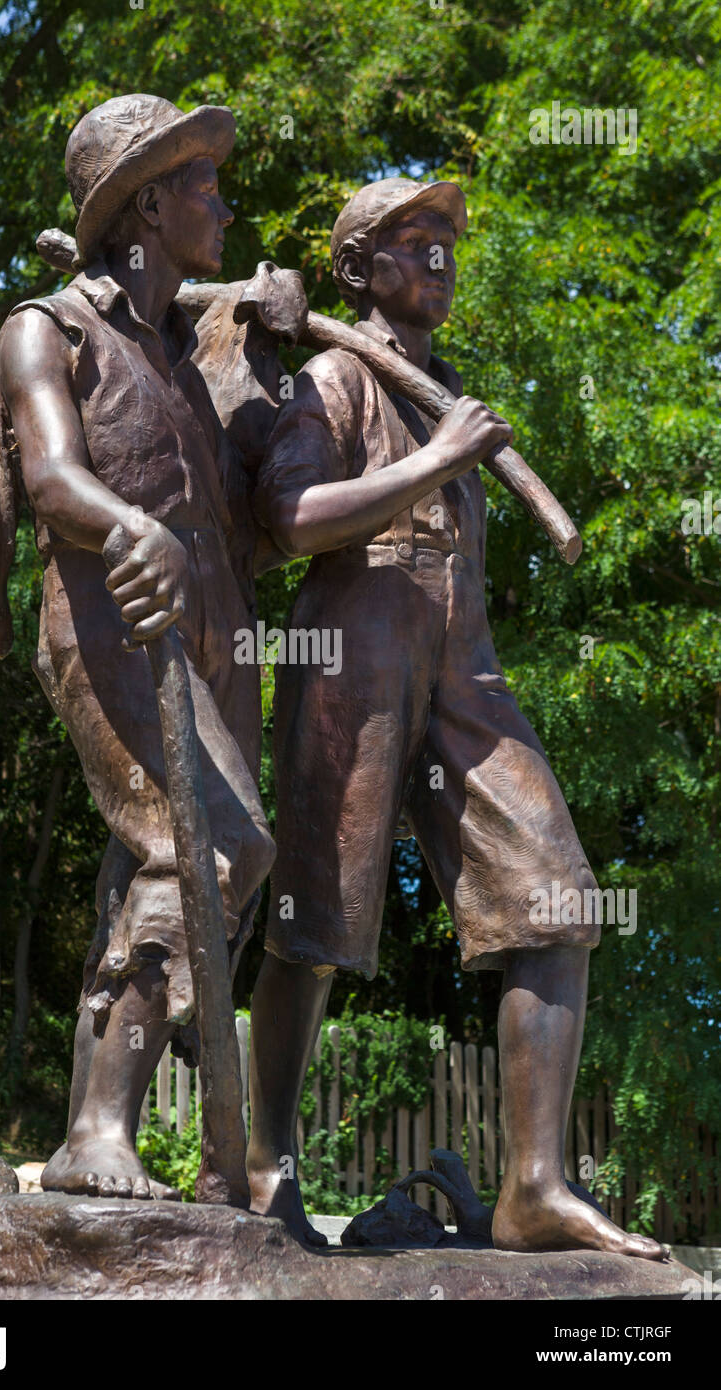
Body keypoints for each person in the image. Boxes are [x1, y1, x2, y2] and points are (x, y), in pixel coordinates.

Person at [245, 176, 667, 1259]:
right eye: (410, 241)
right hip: (352, 643)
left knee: (555, 896)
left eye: (445, 244)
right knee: (314, 919)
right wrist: (435, 459)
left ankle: (531, 1186)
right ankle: (267, 1170)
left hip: (461, 659)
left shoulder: (450, 390)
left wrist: (448, 440)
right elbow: (288, 521)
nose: (436, 259)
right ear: (354, 270)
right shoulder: (334, 376)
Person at [0, 94, 281, 1203]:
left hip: (209, 620)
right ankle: (99, 1127)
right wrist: (130, 525)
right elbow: (51, 479)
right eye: (204, 187)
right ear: (149, 204)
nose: (226, 206)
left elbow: (256, 493)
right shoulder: (44, 329)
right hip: (106, 601)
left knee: (156, 865)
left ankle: (102, 1130)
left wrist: (264, 337)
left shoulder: (184, 355)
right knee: (215, 848)